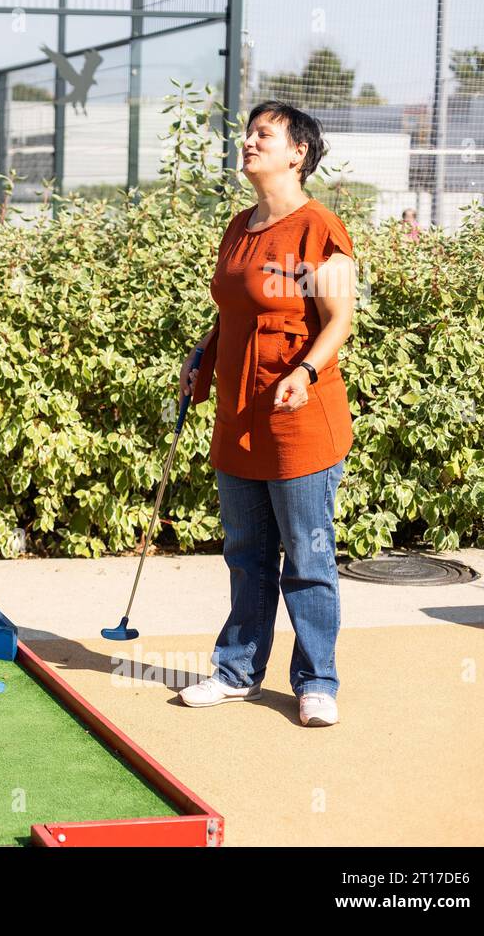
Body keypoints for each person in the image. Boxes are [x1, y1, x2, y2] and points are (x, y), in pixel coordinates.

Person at [177, 101, 358, 727]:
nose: (248, 143)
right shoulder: (238, 226)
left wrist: (306, 373)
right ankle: (236, 672)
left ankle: (316, 681)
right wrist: (201, 354)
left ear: (296, 152)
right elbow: (234, 311)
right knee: (247, 551)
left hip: (299, 420)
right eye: (248, 134)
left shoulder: (318, 229)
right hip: (239, 415)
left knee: (307, 557)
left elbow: (339, 320)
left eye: (264, 135)